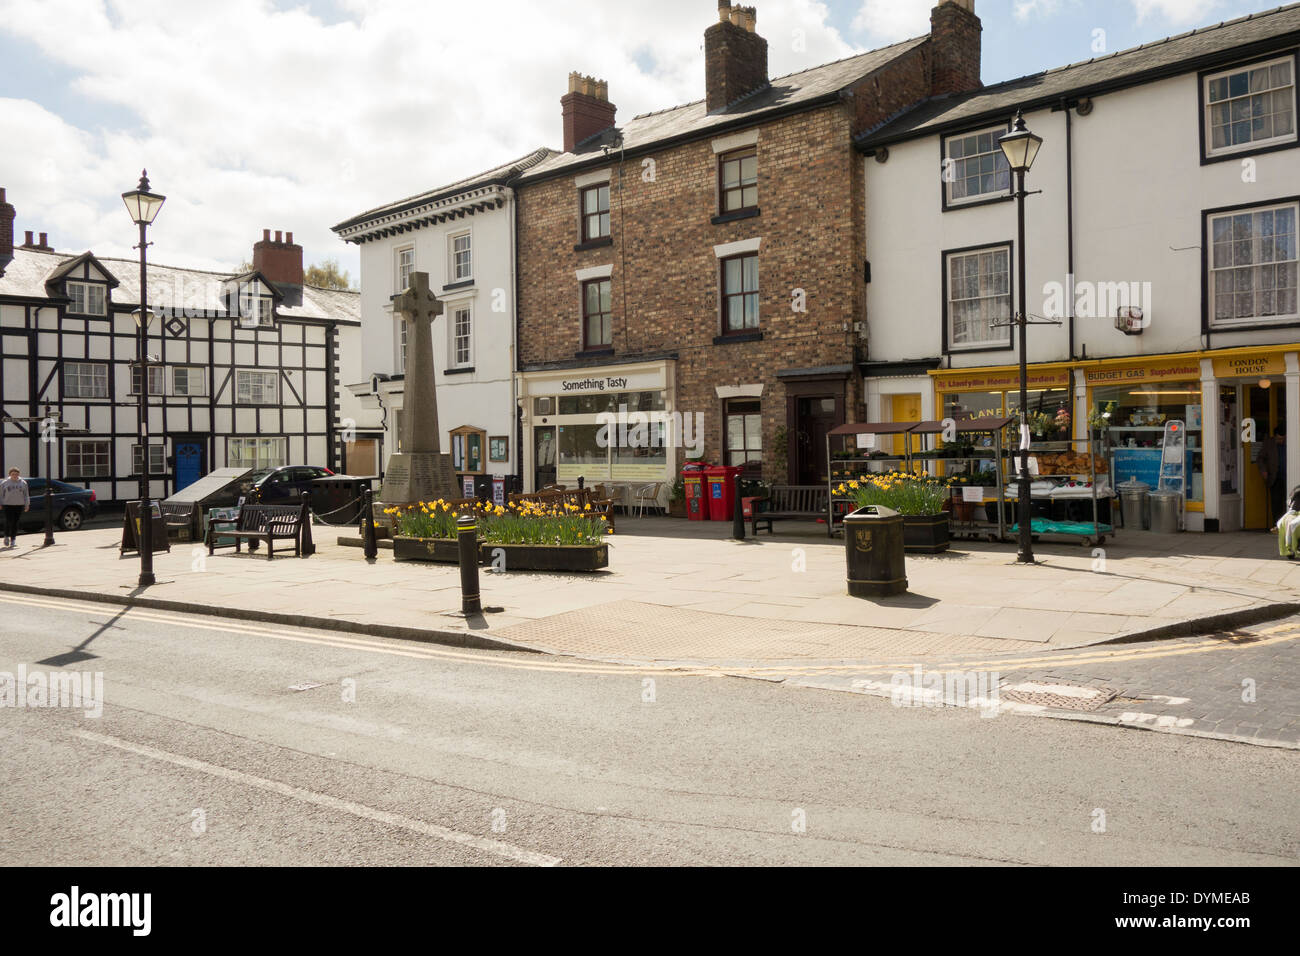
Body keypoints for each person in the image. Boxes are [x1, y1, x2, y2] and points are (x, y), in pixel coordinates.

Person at [1257, 426, 1286, 528]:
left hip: (1288, 476)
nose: (1281, 441)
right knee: (1276, 503)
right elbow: (1260, 458)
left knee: (1288, 502)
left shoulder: (1291, 441)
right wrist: (1263, 470)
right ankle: (1278, 526)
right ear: (1274, 437)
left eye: (1283, 439)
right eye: (1278, 439)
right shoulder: (1269, 444)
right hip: (1275, 477)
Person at [2, 467, 30, 548]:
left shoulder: (23, 483)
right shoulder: (5, 483)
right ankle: (6, 536)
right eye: (13, 474)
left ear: (18, 474)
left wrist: (27, 504)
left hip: (19, 504)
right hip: (7, 504)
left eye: (16, 474)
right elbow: (1, 494)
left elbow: (26, 494)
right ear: (10, 474)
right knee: (8, 521)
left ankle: (13, 539)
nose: (15, 476)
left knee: (15, 522)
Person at [1278, 486, 1300, 559]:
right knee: (1286, 522)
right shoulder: (1297, 493)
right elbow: (1292, 507)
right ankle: (1289, 547)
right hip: (1294, 512)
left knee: (1292, 523)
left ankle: (1290, 546)